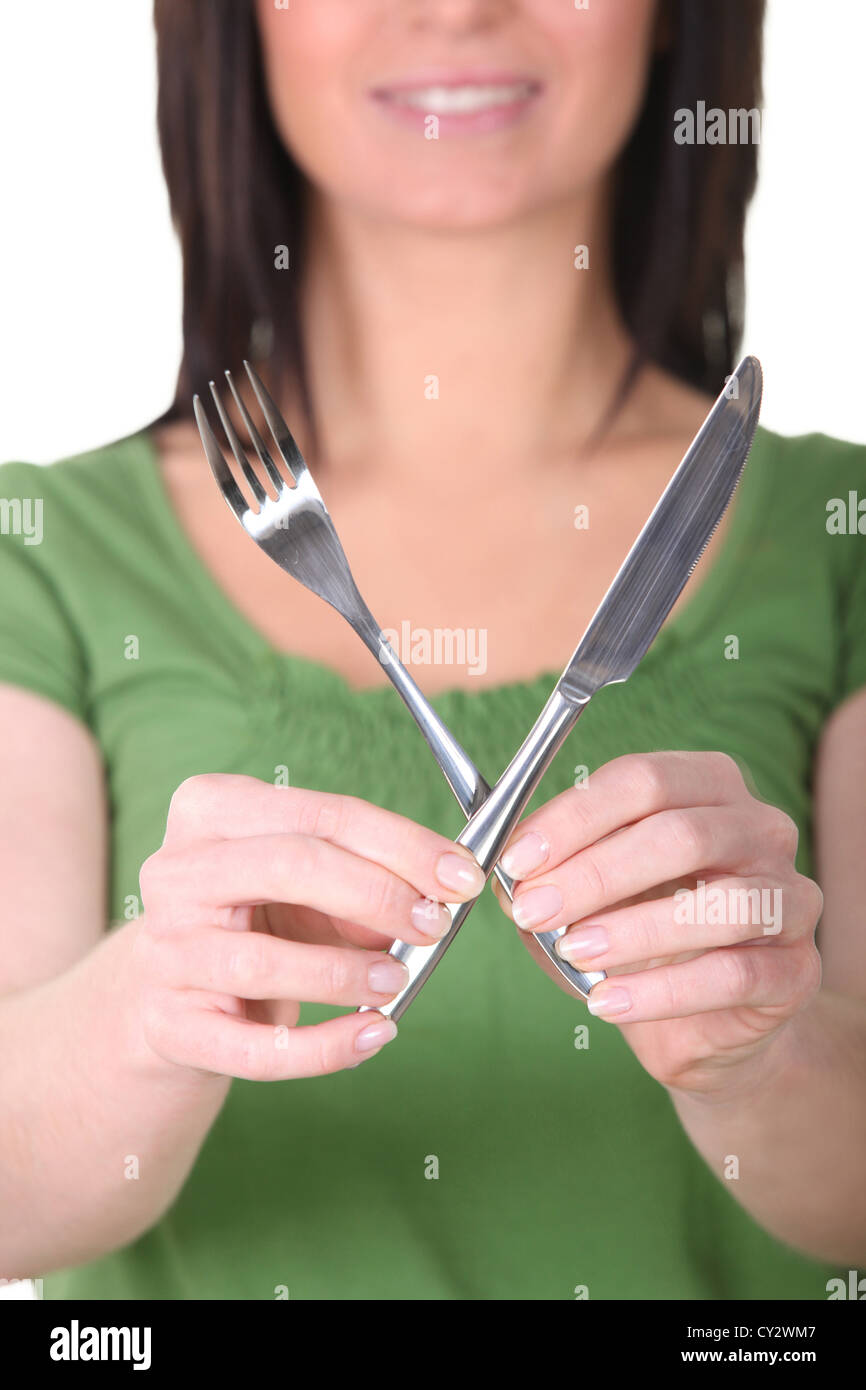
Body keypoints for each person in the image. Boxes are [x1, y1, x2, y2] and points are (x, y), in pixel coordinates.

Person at [1, 0, 863, 1302]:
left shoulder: (832, 538)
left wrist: (763, 1053)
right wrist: (149, 1009)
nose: (456, 7)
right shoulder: (53, 552)